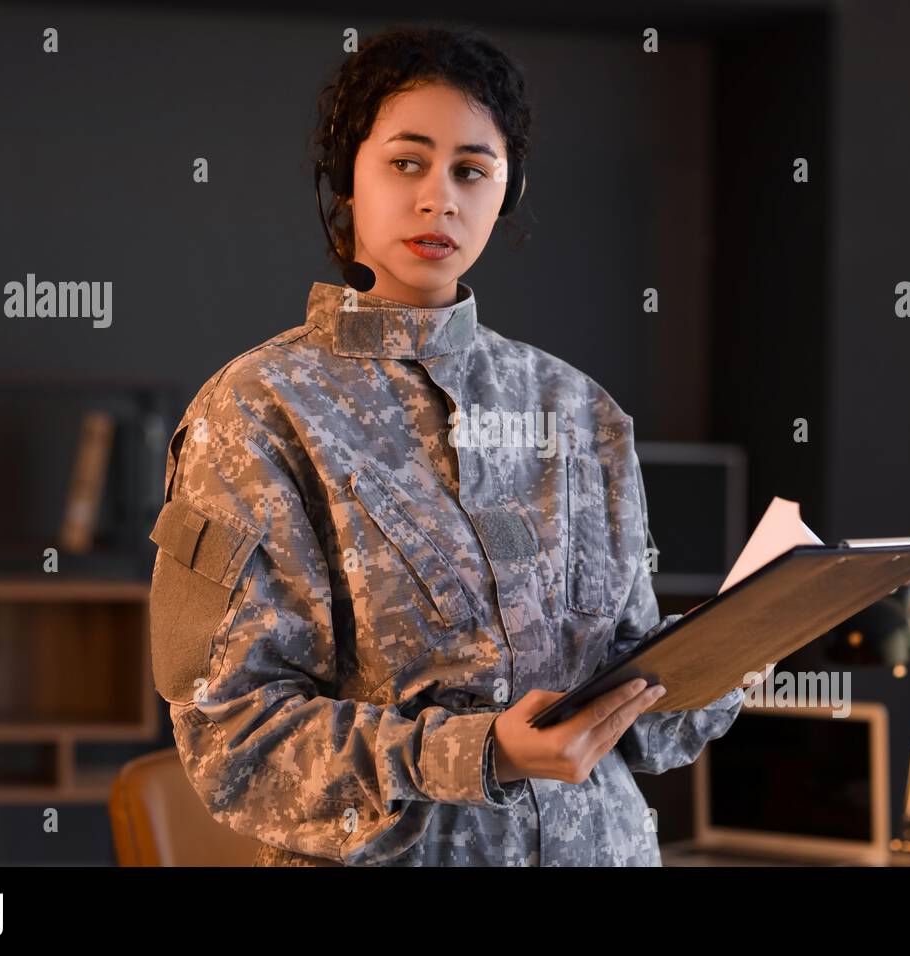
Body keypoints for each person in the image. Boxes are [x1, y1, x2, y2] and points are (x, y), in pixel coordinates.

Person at [147, 23, 744, 867]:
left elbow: (641, 715)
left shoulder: (579, 410)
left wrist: (737, 645)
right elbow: (234, 741)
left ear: (508, 189)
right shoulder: (251, 414)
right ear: (346, 178)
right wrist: (480, 753)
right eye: (406, 162)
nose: (440, 199)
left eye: (472, 170)